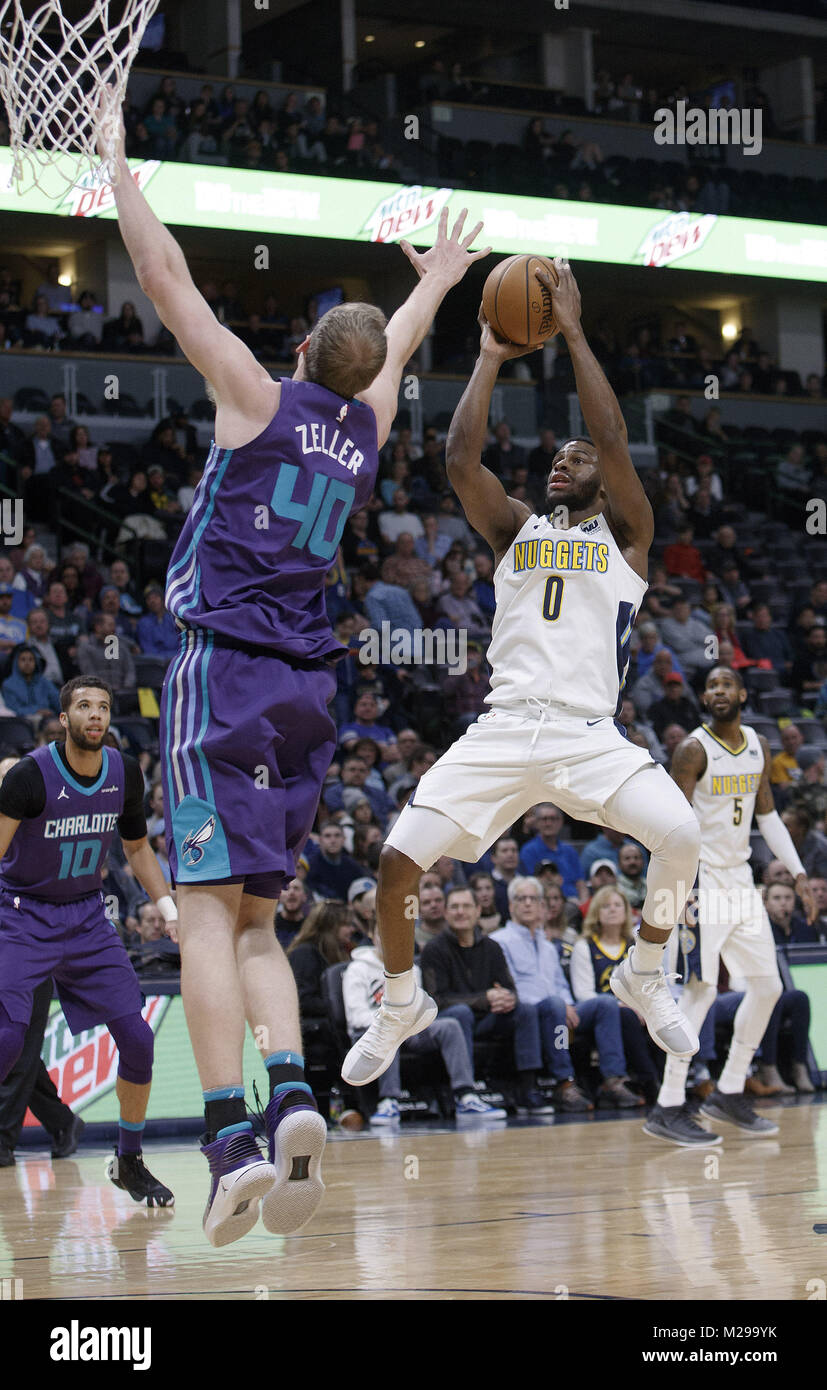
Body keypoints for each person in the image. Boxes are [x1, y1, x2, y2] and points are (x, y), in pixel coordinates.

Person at [100, 85, 491, 1245]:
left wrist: (118, 169)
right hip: (307, 696)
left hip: (220, 674)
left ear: (297, 349)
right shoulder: (363, 431)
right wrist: (436, 280)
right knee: (262, 920)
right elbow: (400, 344)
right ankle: (295, 1098)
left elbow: (167, 283)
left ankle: (226, 1142)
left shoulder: (255, 401)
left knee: (204, 920)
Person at [343, 258, 703, 1094]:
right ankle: (400, 1003)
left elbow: (613, 440)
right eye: (557, 457)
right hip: (504, 727)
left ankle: (644, 973)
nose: (563, 463)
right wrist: (489, 357)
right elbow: (458, 457)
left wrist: (571, 330)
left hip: (588, 734)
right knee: (397, 863)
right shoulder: (512, 529)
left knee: (680, 837)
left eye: (574, 459)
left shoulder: (626, 534)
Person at [0, 676, 176, 1202]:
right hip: (21, 916)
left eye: (102, 706)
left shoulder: (124, 773)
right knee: (8, 1040)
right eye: (83, 706)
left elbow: (139, 848)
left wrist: (168, 908)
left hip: (85, 919)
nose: (95, 715)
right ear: (64, 718)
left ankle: (129, 1160)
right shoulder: (28, 778)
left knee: (139, 1040)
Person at [644, 665, 816, 1146]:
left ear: (742, 693)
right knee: (699, 990)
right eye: (710, 687)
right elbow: (671, 824)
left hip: (742, 880)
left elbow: (768, 816)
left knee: (766, 986)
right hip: (701, 882)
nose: (717, 691)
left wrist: (799, 873)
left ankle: (730, 1088)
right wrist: (674, 890)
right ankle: (668, 1103)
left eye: (726, 684)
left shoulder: (758, 746)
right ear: (705, 698)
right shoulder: (692, 750)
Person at [343, 909, 506, 1123]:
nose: (390, 941)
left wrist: (402, 1023)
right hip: (369, 1034)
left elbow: (416, 1008)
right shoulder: (357, 969)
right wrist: (391, 1021)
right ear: (373, 936)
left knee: (450, 1026)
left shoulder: (409, 968)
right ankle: (388, 1101)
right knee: (388, 1034)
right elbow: (356, 1016)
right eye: (384, 934)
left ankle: (465, 1095)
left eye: (395, 935)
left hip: (408, 1030)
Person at [493, 878, 641, 1109]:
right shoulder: (499, 941)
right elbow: (510, 988)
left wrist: (567, 1004)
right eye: (521, 899)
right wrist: (560, 1005)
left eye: (534, 899)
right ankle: (565, 1082)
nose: (528, 904)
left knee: (605, 1004)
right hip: (529, 1013)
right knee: (554, 1006)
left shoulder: (549, 946)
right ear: (511, 906)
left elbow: (561, 985)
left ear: (542, 906)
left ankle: (613, 1080)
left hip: (560, 1009)